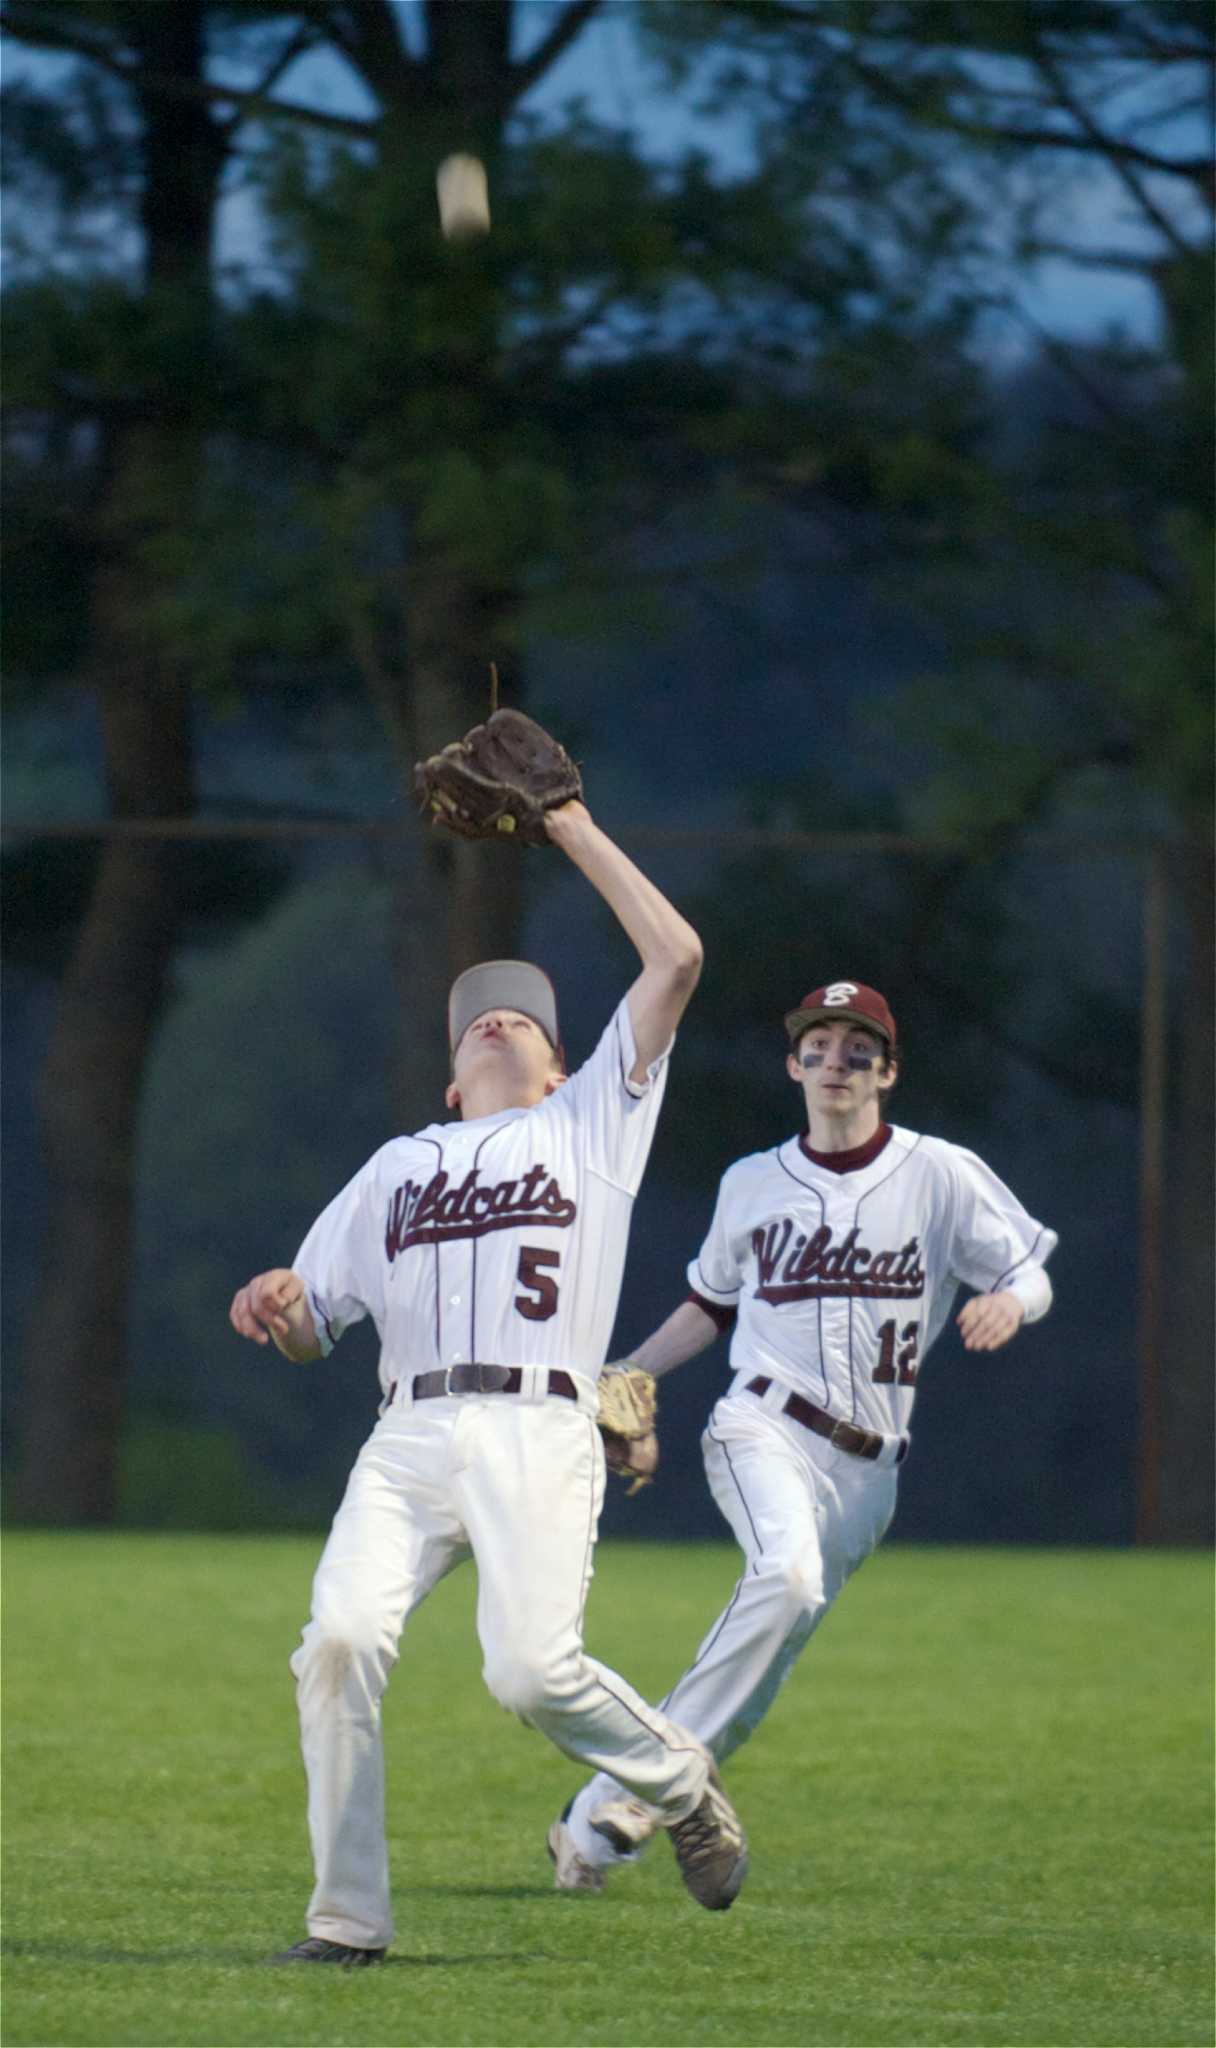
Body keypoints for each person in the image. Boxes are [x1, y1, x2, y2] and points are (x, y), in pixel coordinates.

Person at [229, 796, 749, 1965]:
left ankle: (678, 1781)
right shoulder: (398, 1164)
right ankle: (347, 1920)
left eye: (522, 1016)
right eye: (475, 1021)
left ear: (566, 1064)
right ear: (450, 1083)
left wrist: (564, 820)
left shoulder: (590, 1124)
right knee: (339, 1640)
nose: (497, 1020)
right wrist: (282, 1307)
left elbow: (677, 955)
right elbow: (317, 1323)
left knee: (527, 1669)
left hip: (537, 1423)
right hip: (408, 1430)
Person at [548, 977, 1057, 1892]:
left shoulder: (940, 1174)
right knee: (783, 1577)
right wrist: (629, 1371)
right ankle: (634, 1804)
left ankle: (595, 1817)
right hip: (762, 1425)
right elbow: (712, 1301)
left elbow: (1029, 1269)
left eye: (857, 1048)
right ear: (794, 1065)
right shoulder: (752, 1181)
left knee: (770, 1651)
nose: (835, 1062)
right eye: (817, 1046)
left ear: (887, 1072)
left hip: (873, 1475)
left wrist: (1011, 1302)